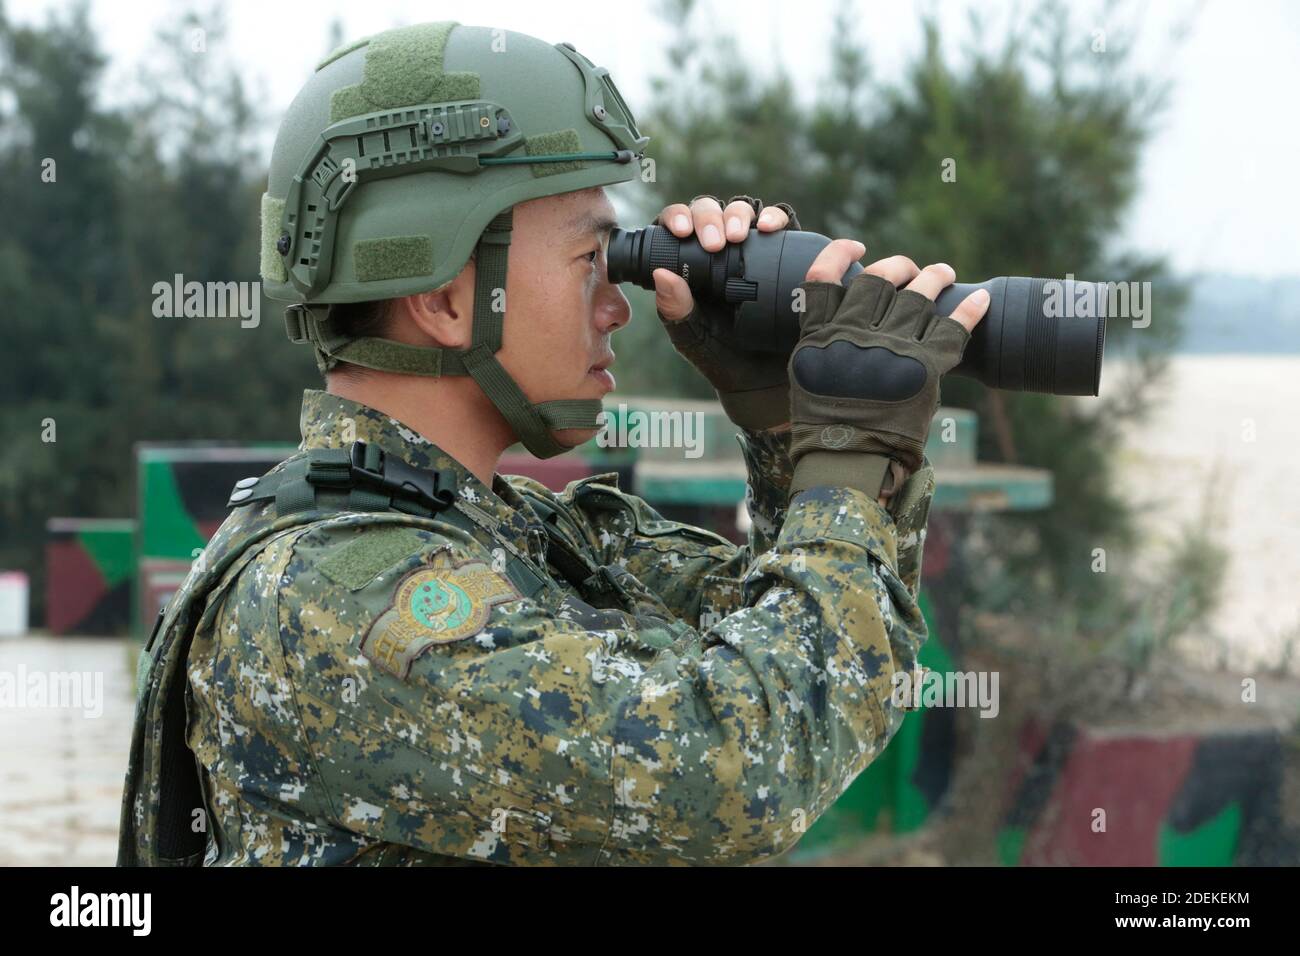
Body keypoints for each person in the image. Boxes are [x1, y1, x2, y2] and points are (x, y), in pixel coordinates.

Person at [118, 20, 988, 866]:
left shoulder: (534, 538)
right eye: (590, 263)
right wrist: (843, 453)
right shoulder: (331, 600)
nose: (618, 306)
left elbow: (819, 659)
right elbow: (743, 769)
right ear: (449, 296)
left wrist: (784, 427)